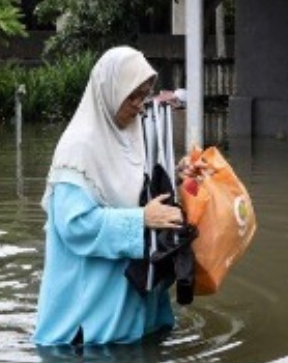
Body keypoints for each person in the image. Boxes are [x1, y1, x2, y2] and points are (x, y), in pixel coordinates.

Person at [33, 46, 191, 347]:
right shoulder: (79, 147)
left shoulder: (133, 134)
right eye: (132, 96)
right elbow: (74, 225)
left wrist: (178, 178)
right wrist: (140, 219)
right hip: (89, 305)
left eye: (144, 95)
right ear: (110, 92)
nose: (140, 106)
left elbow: (134, 188)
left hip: (130, 297)